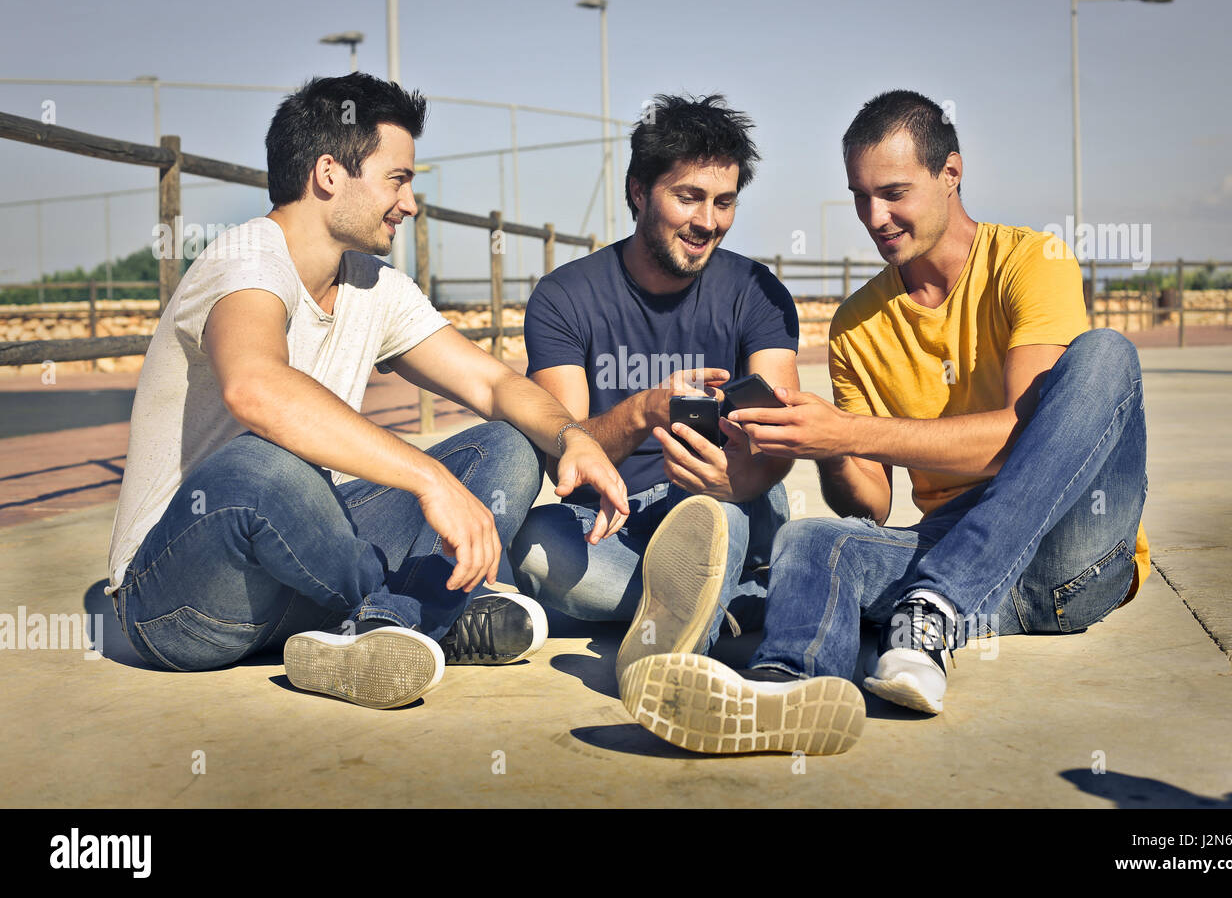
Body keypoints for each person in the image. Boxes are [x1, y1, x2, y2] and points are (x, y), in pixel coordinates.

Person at [621, 89, 1151, 752]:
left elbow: (1019, 447)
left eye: (894, 192)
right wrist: (820, 442)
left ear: (950, 174)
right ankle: (787, 688)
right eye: (860, 196)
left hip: (1069, 558)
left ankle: (935, 606)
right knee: (811, 541)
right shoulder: (857, 323)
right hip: (952, 560)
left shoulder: (1029, 262)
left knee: (1107, 354)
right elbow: (872, 503)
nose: (876, 216)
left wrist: (852, 431)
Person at [107, 73, 628, 710]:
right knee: (262, 461)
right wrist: (430, 482)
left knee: (509, 445)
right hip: (183, 599)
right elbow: (255, 388)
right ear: (329, 173)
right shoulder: (245, 260)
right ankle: (421, 611)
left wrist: (573, 437)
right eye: (398, 179)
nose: (409, 203)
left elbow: (491, 383)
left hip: (302, 576)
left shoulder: (372, 285)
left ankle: (379, 629)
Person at [509, 94, 799, 683]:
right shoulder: (565, 297)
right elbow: (560, 451)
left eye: (724, 202)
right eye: (688, 197)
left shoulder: (756, 290)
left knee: (725, 518)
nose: (708, 222)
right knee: (537, 543)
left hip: (729, 502)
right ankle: (728, 611)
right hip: (615, 527)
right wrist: (644, 411)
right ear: (639, 192)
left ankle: (674, 629)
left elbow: (782, 438)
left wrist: (732, 480)